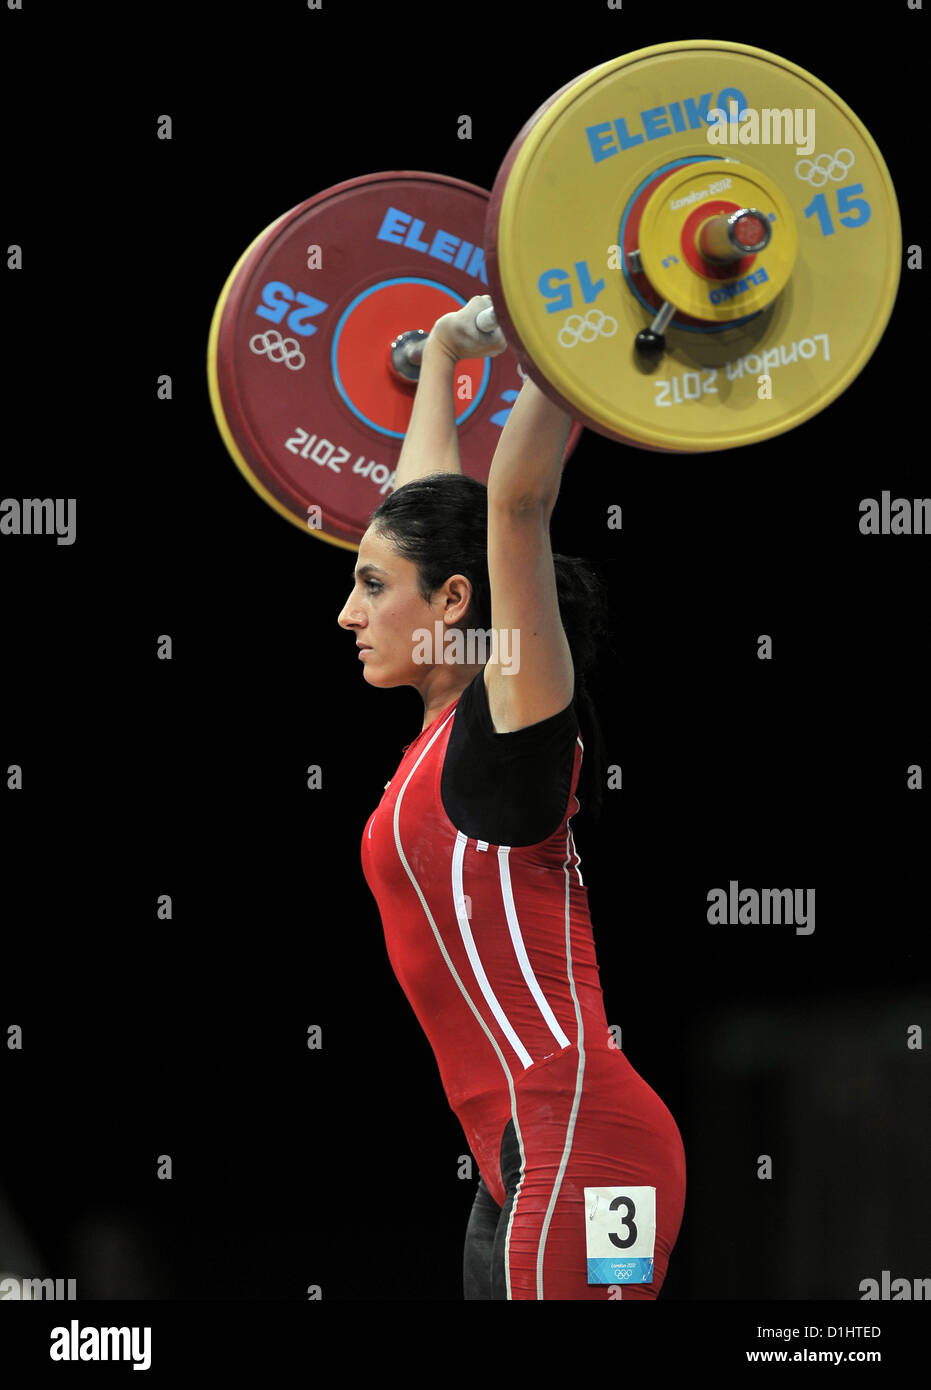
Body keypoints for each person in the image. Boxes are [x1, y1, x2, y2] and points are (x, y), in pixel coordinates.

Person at [337, 296, 686, 1300]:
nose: (347, 610)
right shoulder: (439, 728)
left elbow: (513, 505)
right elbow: (431, 512)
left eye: (370, 586)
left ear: (451, 603)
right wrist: (445, 349)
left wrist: (556, 345)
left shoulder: (517, 711)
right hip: (518, 1157)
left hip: (584, 1141)